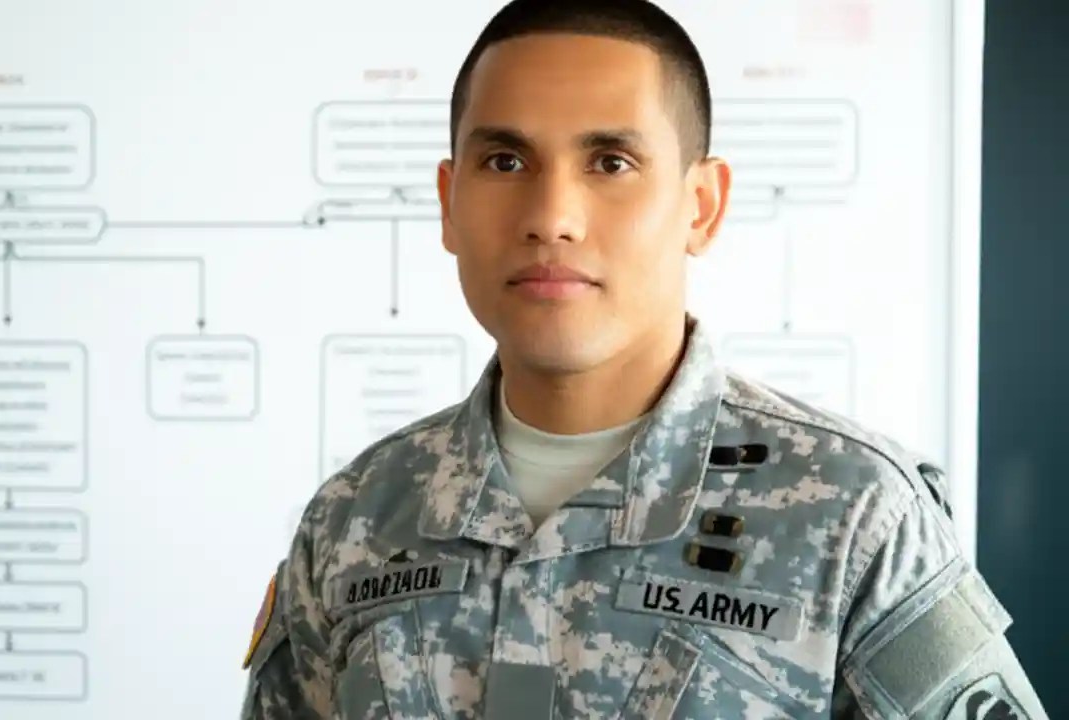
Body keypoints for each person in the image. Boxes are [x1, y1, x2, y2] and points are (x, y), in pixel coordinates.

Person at [238, 0, 1048, 717]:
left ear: (701, 206)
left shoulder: (856, 520)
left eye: (611, 163)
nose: (552, 216)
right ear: (449, 203)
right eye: (505, 161)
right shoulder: (355, 520)